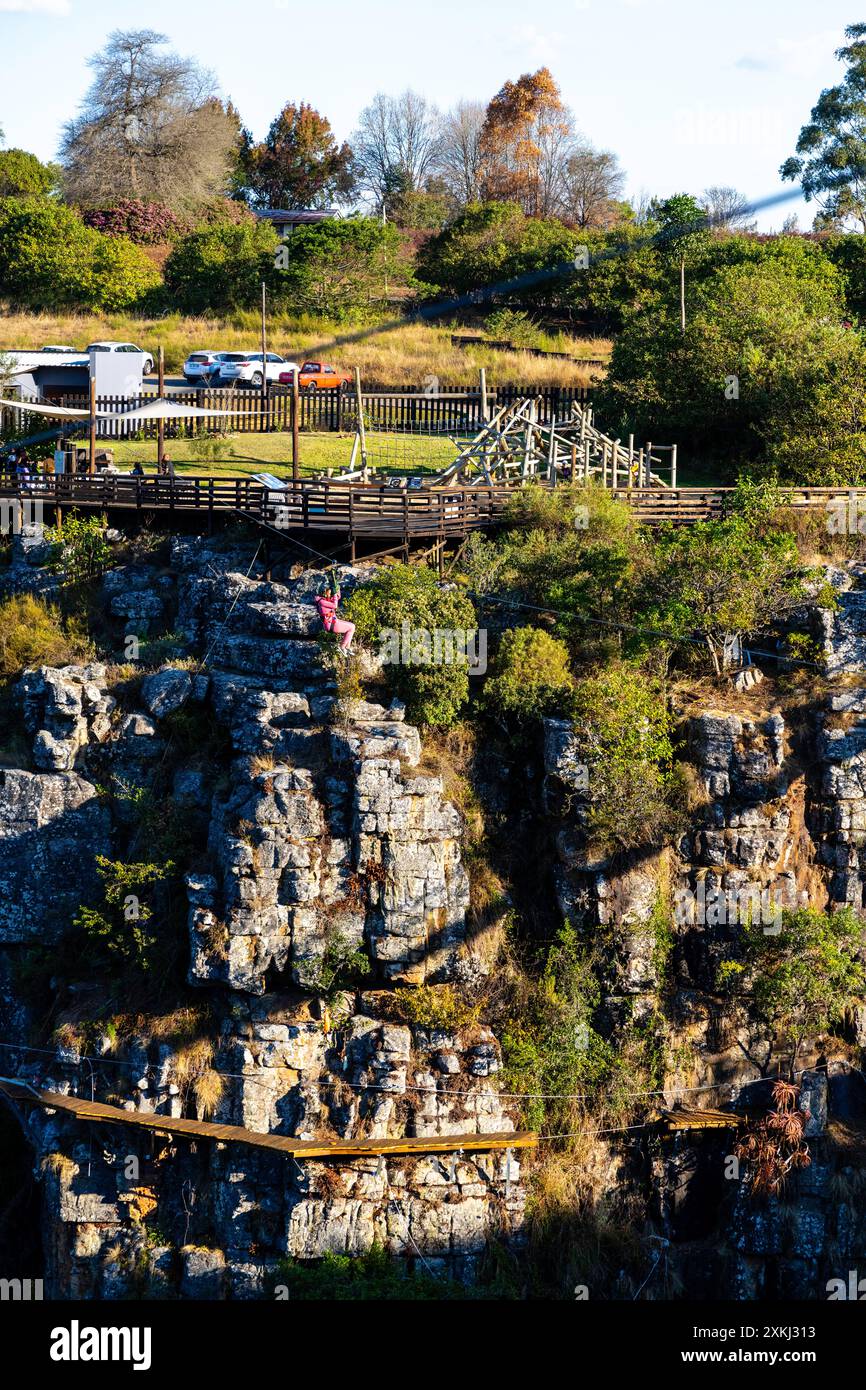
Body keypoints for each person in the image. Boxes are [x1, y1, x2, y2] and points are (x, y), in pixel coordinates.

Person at [315, 581, 355, 654]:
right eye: (329, 593)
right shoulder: (322, 602)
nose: (330, 594)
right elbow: (335, 605)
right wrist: (335, 594)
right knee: (351, 627)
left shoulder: (324, 599)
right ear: (325, 592)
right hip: (331, 624)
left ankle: (347, 647)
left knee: (351, 627)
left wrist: (337, 590)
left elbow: (337, 597)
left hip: (332, 622)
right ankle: (342, 646)